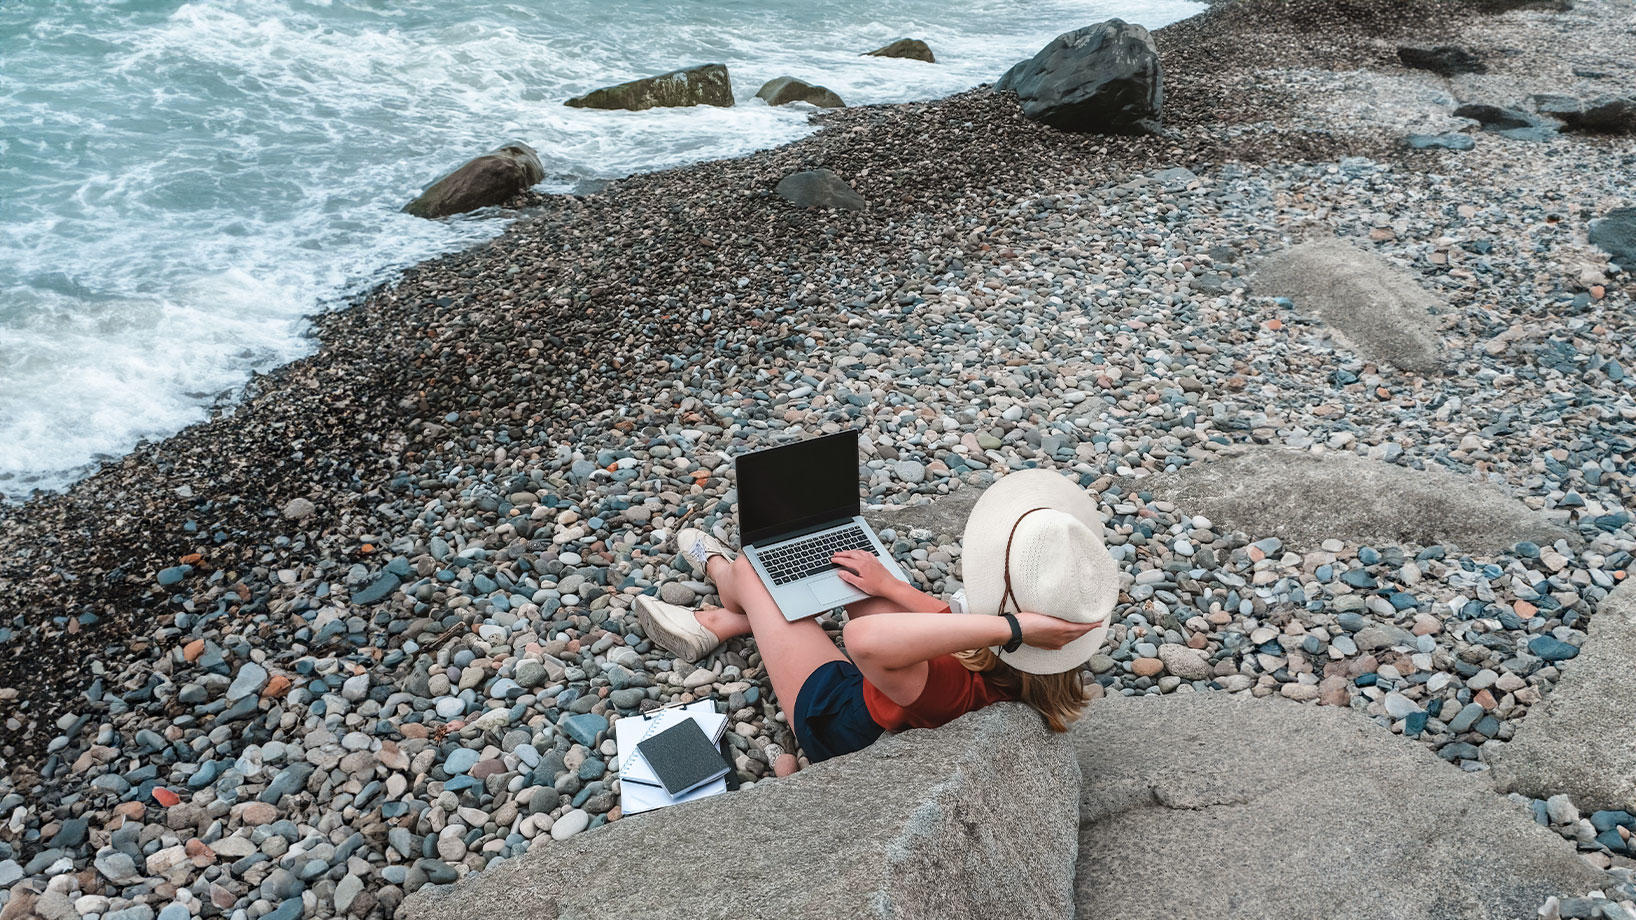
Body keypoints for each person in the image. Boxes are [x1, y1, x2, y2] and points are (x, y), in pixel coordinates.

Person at [634, 468, 1120, 766]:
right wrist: (889, 586)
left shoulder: (962, 678)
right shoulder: (1040, 665)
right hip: (899, 681)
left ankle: (720, 600)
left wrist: (1012, 627)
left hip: (842, 722)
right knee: (848, 566)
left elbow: (864, 639)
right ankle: (750, 618)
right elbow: (956, 625)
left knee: (751, 569)